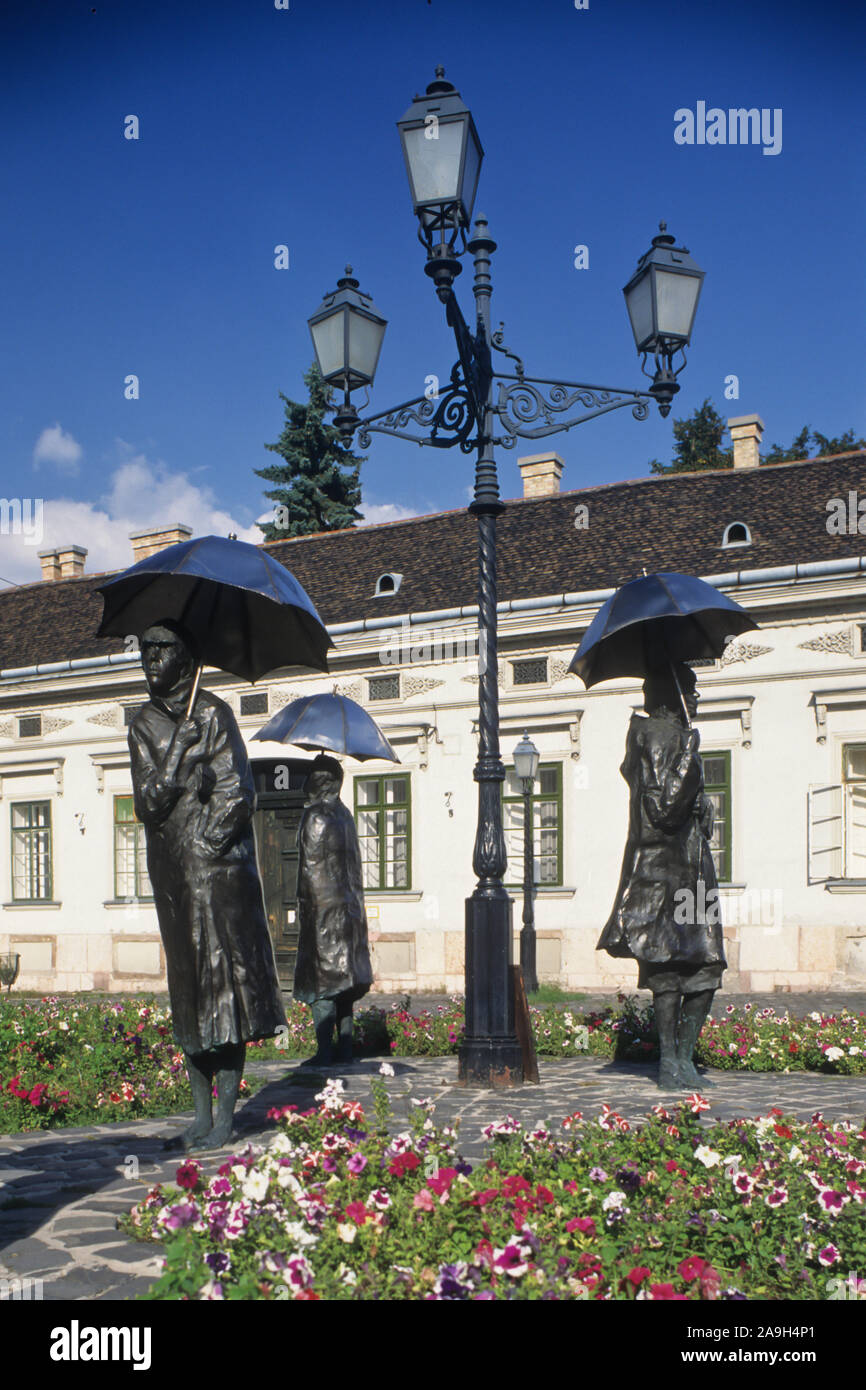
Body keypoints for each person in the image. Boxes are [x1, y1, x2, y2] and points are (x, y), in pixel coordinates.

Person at [128, 620, 287, 1149]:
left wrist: (207, 841)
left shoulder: (214, 713)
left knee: (224, 992)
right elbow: (148, 802)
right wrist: (180, 753)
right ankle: (198, 1116)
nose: (150, 661)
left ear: (185, 657)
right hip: (172, 875)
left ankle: (224, 1118)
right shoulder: (144, 724)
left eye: (161, 651)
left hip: (217, 873)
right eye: (145, 652)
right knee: (189, 991)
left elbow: (239, 791)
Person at [598, 660, 725, 1089]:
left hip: (693, 870)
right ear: (672, 696)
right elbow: (663, 808)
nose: (696, 698)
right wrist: (690, 756)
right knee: (667, 968)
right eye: (690, 690)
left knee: (707, 967)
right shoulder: (652, 735)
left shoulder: (680, 738)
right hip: (659, 871)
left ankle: (685, 1059)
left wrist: (704, 806)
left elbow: (688, 809)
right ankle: (670, 1061)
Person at [294, 754, 373, 1065]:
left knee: (323, 986)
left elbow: (309, 872)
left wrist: (304, 908)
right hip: (349, 916)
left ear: (320, 782)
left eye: (311, 777)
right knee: (343, 986)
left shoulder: (315, 817)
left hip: (323, 916)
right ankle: (346, 1049)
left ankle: (324, 1052)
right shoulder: (346, 815)